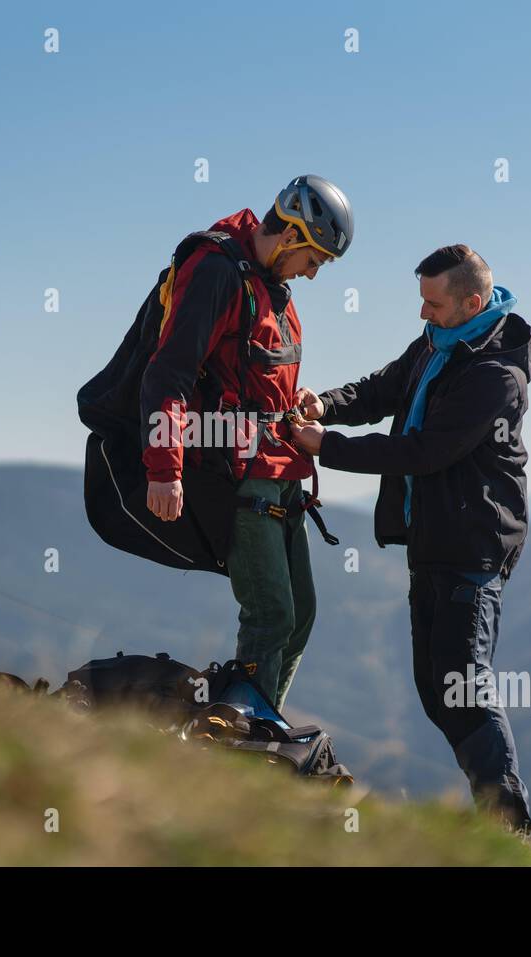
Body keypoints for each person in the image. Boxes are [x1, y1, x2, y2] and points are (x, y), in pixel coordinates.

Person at [289, 244, 531, 833]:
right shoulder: (440, 342)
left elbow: (425, 453)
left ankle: (511, 829)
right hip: (431, 543)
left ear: (472, 302)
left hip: (472, 551)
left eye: (433, 303)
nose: (422, 315)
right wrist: (324, 404)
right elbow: (384, 388)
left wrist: (328, 447)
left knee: (464, 688)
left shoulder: (495, 375)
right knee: (436, 690)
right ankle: (493, 818)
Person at [141, 175, 353, 711]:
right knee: (271, 615)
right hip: (237, 472)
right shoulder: (215, 271)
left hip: (283, 468)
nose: (312, 272)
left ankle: (255, 725)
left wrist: (294, 399)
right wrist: (164, 469)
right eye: (314, 259)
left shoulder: (272, 287)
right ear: (290, 236)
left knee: (300, 613)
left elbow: (254, 371)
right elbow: (169, 374)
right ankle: (238, 739)